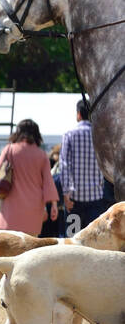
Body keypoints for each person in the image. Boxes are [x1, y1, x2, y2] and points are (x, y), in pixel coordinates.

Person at [0, 119, 58, 236]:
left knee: (9, 250)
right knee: (30, 250)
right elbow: (48, 182)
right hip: (33, 211)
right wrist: (53, 205)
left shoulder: (9, 149)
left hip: (11, 210)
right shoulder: (42, 155)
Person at [60, 99, 108, 234]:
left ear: (78, 114)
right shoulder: (100, 136)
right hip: (96, 198)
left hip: (74, 200)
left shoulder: (69, 134)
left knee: (73, 238)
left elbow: (64, 165)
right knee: (94, 240)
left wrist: (66, 193)